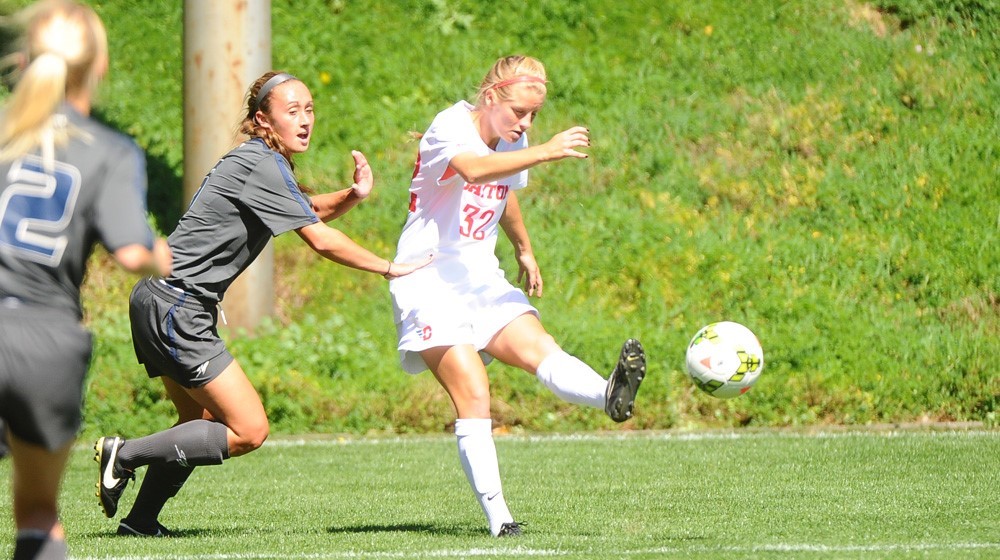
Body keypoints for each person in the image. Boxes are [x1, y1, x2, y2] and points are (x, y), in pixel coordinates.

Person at [94, 70, 433, 537]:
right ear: (263, 119)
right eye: (292, 111)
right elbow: (319, 240)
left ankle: (140, 521)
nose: (306, 119)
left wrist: (353, 196)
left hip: (160, 298)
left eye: (309, 109)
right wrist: (387, 266)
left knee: (199, 421)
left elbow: (306, 211)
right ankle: (123, 453)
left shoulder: (263, 163)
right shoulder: (261, 163)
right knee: (249, 429)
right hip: (178, 305)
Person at [387, 55, 647, 537]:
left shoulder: (514, 136)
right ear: (490, 98)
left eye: (534, 117)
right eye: (518, 113)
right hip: (426, 278)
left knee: (541, 350)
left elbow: (504, 191)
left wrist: (524, 250)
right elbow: (475, 170)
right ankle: (500, 520)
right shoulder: (450, 125)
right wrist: (547, 150)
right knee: (474, 393)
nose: (525, 124)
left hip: (478, 275)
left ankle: (608, 393)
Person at [0, 1, 172, 558]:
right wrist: (160, 256)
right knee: (37, 517)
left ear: (22, 59)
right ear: (99, 67)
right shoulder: (110, 151)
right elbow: (129, 251)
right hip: (45, 343)